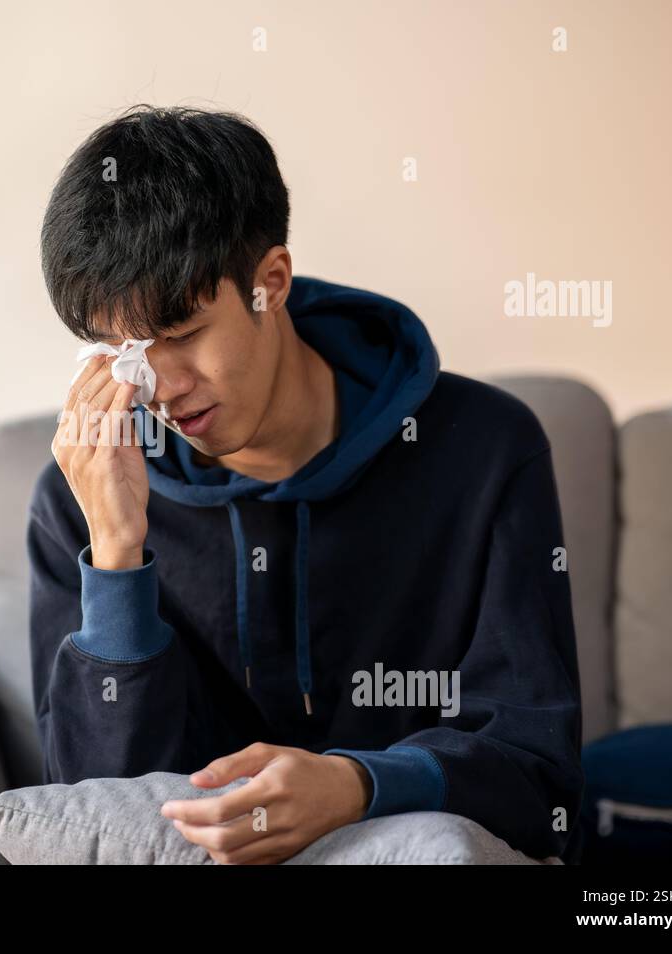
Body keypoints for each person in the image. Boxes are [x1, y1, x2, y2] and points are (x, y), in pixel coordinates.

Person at [29, 106, 584, 864]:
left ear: (270, 283)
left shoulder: (484, 449)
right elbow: (99, 822)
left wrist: (359, 785)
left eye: (184, 334)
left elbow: (538, 772)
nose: (159, 385)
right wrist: (119, 559)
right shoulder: (81, 497)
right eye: (124, 351)